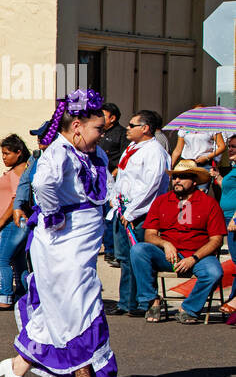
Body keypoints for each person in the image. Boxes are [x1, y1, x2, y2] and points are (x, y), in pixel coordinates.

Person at [0, 90, 118, 377]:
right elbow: (44, 185)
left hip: (83, 247)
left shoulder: (94, 154)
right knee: (79, 310)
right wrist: (54, 213)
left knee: (56, 313)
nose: (101, 135)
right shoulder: (58, 154)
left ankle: (17, 366)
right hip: (63, 249)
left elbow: (105, 189)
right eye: (97, 129)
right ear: (76, 126)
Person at [128, 160, 227, 324]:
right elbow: (149, 235)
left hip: (198, 256)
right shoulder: (161, 201)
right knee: (138, 250)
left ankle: (189, 308)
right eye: (175, 177)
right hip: (168, 255)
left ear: (194, 181)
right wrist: (165, 244)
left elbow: (216, 240)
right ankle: (152, 301)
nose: (177, 181)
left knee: (214, 272)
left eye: (183, 177)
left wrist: (194, 258)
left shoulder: (209, 203)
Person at [105, 109, 170, 317]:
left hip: (142, 213)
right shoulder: (132, 148)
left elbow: (151, 185)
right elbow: (123, 178)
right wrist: (116, 200)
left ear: (145, 128)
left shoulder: (155, 151)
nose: (128, 128)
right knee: (124, 258)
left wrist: (132, 212)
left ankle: (143, 302)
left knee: (138, 257)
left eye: (132, 125)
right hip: (123, 209)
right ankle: (126, 302)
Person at [0, 134, 30, 311]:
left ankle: (5, 297)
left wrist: (2, 220)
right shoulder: (17, 169)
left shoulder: (20, 170)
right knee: (18, 261)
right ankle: (24, 295)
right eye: (3, 153)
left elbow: (17, 199)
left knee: (1, 259)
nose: (4, 157)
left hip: (12, 223)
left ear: (19, 152)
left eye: (7, 153)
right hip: (12, 223)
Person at [97, 102, 126, 265]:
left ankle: (110, 251)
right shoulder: (98, 133)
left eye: (104, 115)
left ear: (113, 118)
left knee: (110, 216)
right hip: (97, 181)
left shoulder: (121, 134)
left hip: (111, 181)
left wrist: (112, 177)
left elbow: (122, 160)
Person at [211, 134, 236, 317]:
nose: (230, 149)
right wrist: (218, 177)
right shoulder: (234, 169)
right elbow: (229, 189)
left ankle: (234, 300)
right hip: (227, 218)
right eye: (229, 146)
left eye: (234, 146)